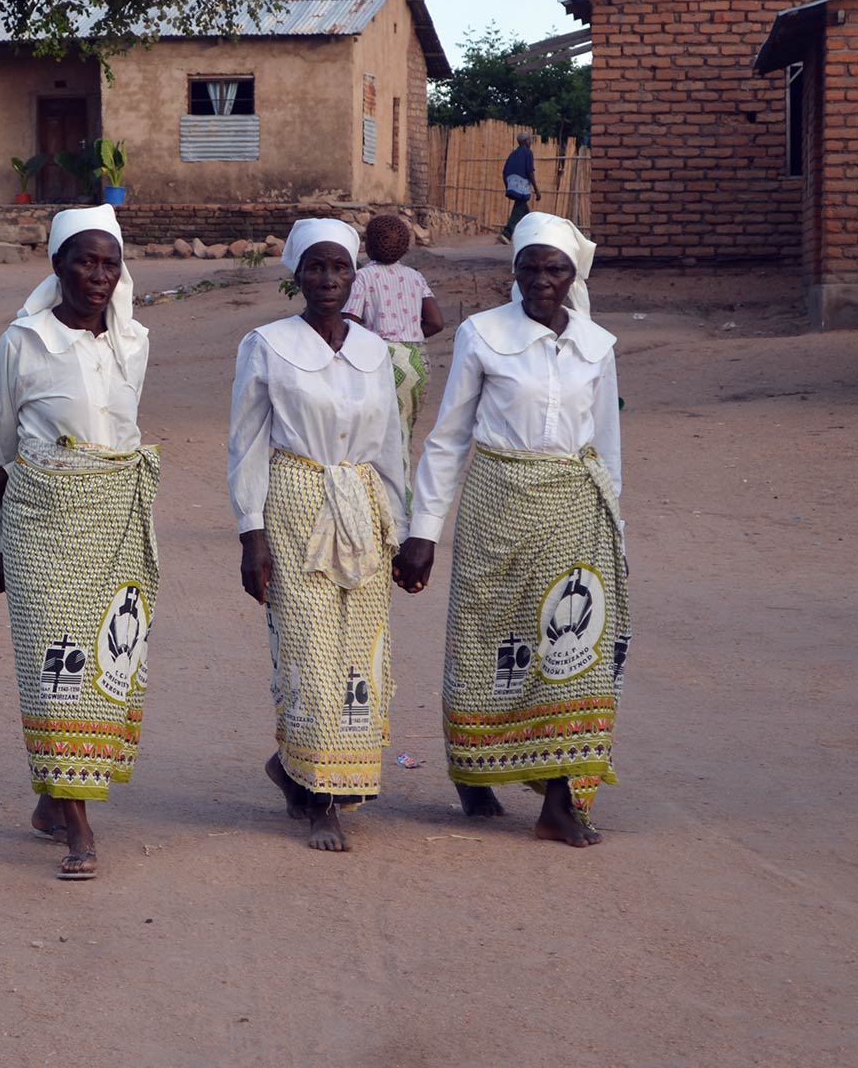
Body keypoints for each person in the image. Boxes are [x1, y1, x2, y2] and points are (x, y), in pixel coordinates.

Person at [391, 212, 628, 848]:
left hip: (575, 508)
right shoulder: (481, 336)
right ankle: (474, 769)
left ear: (573, 275)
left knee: (571, 644)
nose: (542, 280)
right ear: (513, 273)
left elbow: (606, 444)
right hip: (497, 503)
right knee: (485, 637)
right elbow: (449, 437)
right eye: (530, 267)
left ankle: (559, 798)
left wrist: (617, 526)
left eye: (555, 269)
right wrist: (424, 532)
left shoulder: (597, 347)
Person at [0, 204, 156, 881]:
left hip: (116, 521)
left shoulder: (133, 342)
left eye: (110, 262)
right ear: (57, 267)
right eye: (85, 260)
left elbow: (123, 435)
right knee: (59, 666)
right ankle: (78, 824)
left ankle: (53, 799)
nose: (99, 275)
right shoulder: (23, 342)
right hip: (42, 526)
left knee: (113, 658)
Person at [229, 218, 407, 853]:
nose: (328, 279)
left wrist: (405, 529)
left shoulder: (374, 351)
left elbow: (390, 444)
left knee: (359, 652)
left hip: (361, 509)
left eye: (340, 268)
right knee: (307, 650)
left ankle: (307, 776)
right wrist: (251, 535)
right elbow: (246, 444)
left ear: (355, 277)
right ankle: (320, 797)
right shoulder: (267, 345)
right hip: (295, 502)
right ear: (296, 275)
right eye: (316, 268)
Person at [343, 213, 443, 481]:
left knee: (378, 438)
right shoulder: (414, 276)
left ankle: (389, 503)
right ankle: (403, 498)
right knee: (403, 435)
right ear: (406, 246)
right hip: (416, 360)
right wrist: (408, 334)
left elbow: (349, 323)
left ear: (368, 245)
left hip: (383, 359)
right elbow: (436, 322)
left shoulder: (363, 277)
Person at [499, 131, 539, 242]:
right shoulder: (528, 153)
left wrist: (508, 186)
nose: (531, 142)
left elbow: (504, 171)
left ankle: (532, 233)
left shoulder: (513, 154)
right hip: (521, 183)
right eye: (530, 140)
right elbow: (530, 171)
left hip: (511, 181)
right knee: (519, 207)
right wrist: (536, 190)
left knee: (524, 210)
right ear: (526, 141)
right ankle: (507, 233)